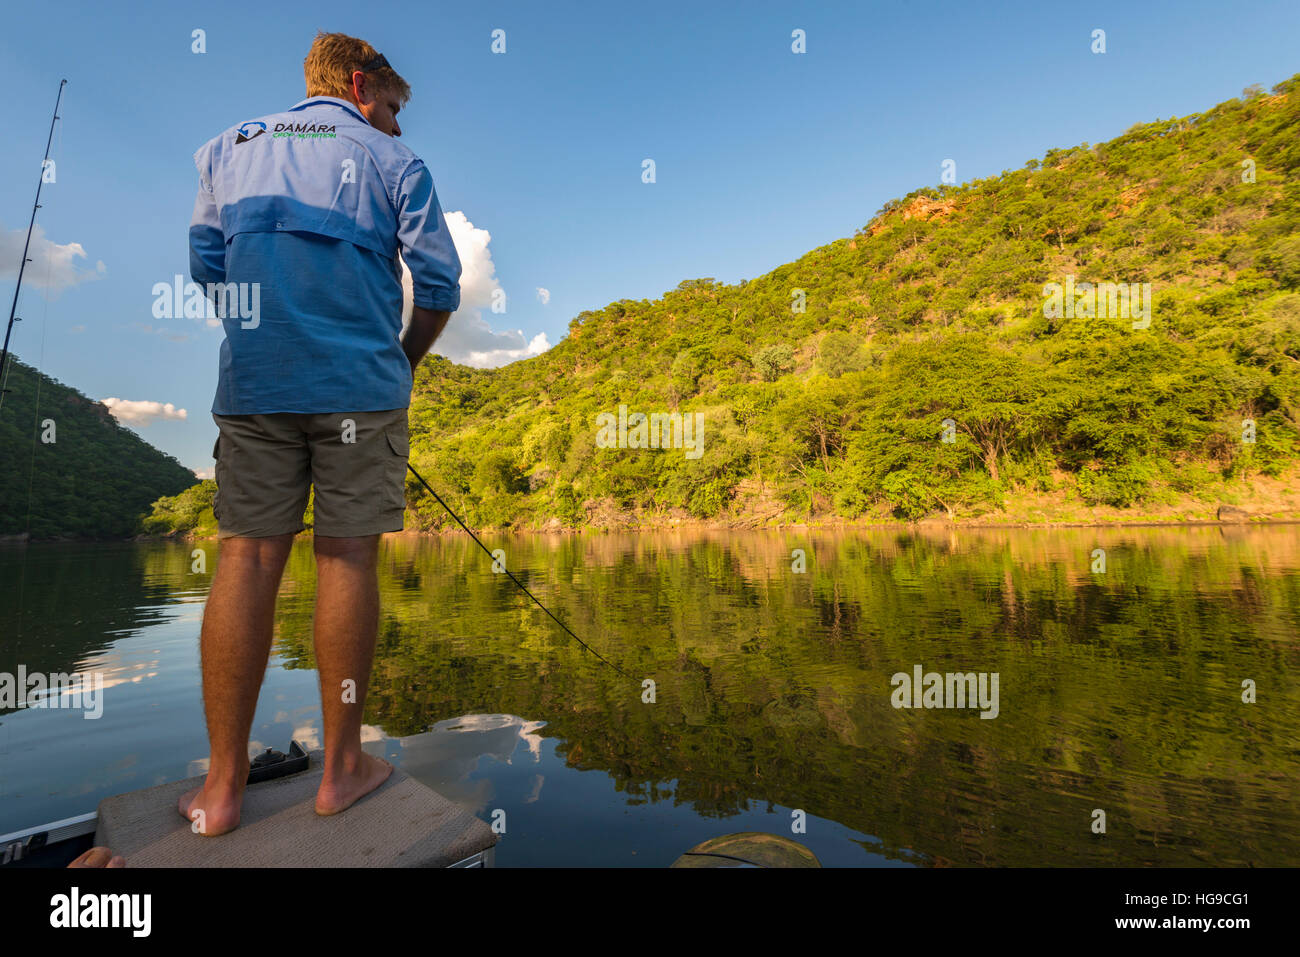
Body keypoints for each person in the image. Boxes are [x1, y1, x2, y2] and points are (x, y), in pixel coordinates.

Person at [183, 31, 461, 836]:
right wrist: (400, 362)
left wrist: (265, 334)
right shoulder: (394, 163)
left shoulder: (224, 150)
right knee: (346, 553)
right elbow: (438, 286)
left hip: (255, 386)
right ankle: (341, 770)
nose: (398, 126)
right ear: (357, 81)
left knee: (247, 556)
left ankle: (222, 789)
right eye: (393, 106)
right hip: (359, 391)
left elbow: (208, 264)